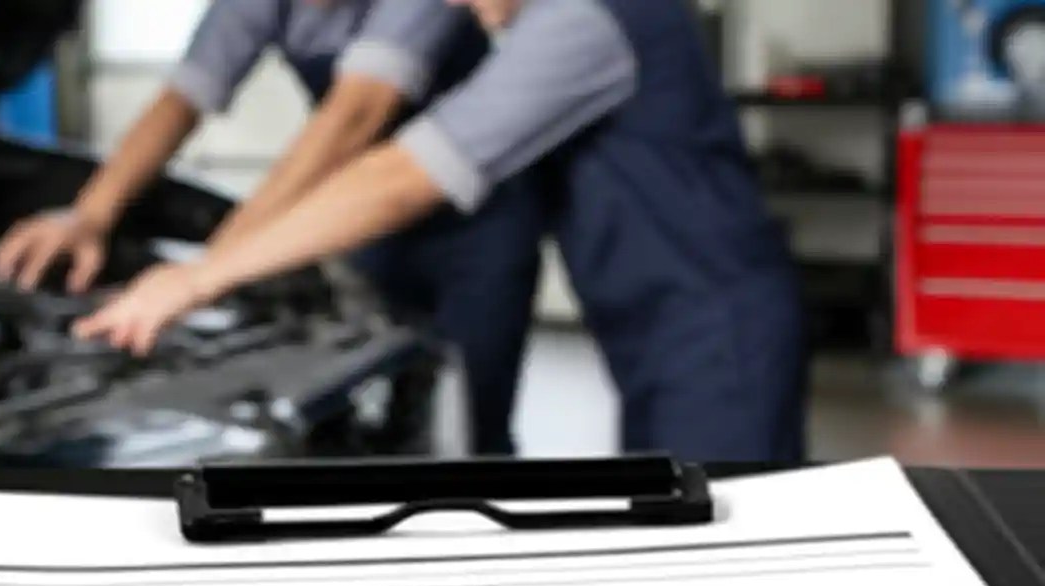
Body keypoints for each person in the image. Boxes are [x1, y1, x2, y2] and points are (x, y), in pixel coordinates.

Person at [70, 0, 809, 463]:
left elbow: (401, 173)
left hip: (715, 328)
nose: (457, 8)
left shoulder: (582, 22)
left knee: (729, 546)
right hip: (656, 325)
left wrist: (204, 274)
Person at [0, 0, 545, 455]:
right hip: (358, 223)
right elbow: (181, 99)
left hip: (479, 226)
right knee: (382, 415)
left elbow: (355, 116)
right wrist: (91, 213)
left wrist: (203, 274)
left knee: (472, 421)